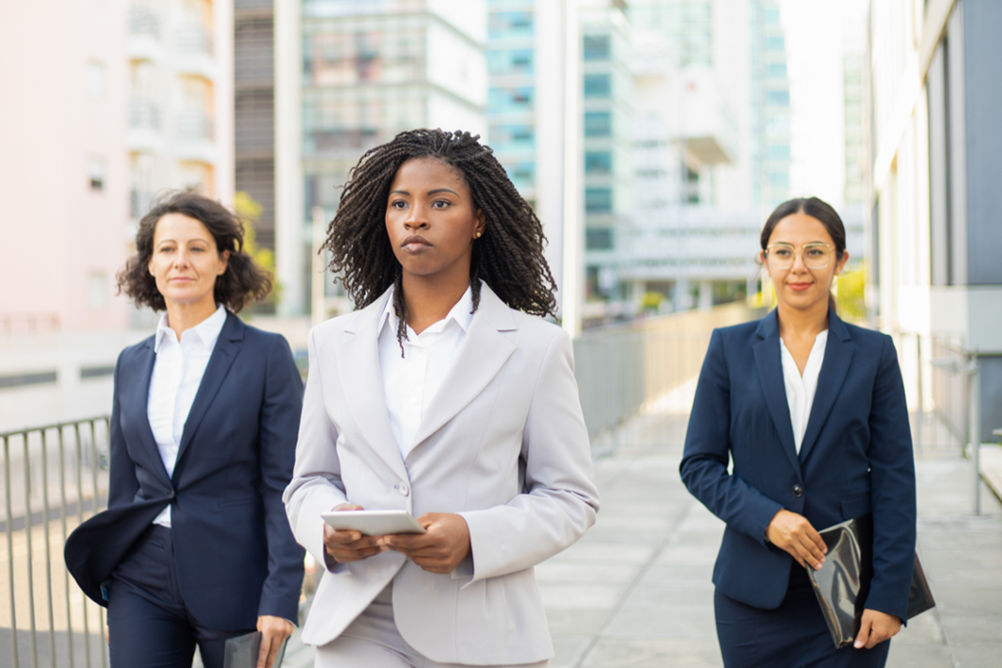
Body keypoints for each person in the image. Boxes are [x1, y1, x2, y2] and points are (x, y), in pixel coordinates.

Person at [283, 128, 599, 667]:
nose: (415, 218)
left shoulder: (536, 348)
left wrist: (475, 535)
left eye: (441, 202)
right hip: (357, 621)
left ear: (479, 221)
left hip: (478, 625)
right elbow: (308, 482)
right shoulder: (333, 342)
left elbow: (571, 497)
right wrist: (330, 529)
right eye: (399, 203)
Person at [64, 191, 305, 668]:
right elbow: (125, 486)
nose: (181, 261)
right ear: (150, 265)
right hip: (141, 578)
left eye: (196, 248)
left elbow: (284, 483)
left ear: (222, 261)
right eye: (167, 249)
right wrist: (114, 591)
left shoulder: (265, 355)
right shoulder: (132, 363)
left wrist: (281, 595)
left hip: (236, 578)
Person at [679, 196, 916, 667]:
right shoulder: (730, 348)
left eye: (815, 251)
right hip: (751, 600)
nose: (798, 267)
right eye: (783, 252)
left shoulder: (875, 355)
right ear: (764, 260)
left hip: (851, 595)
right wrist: (768, 518)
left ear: (840, 261)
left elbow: (895, 481)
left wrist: (890, 597)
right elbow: (699, 465)